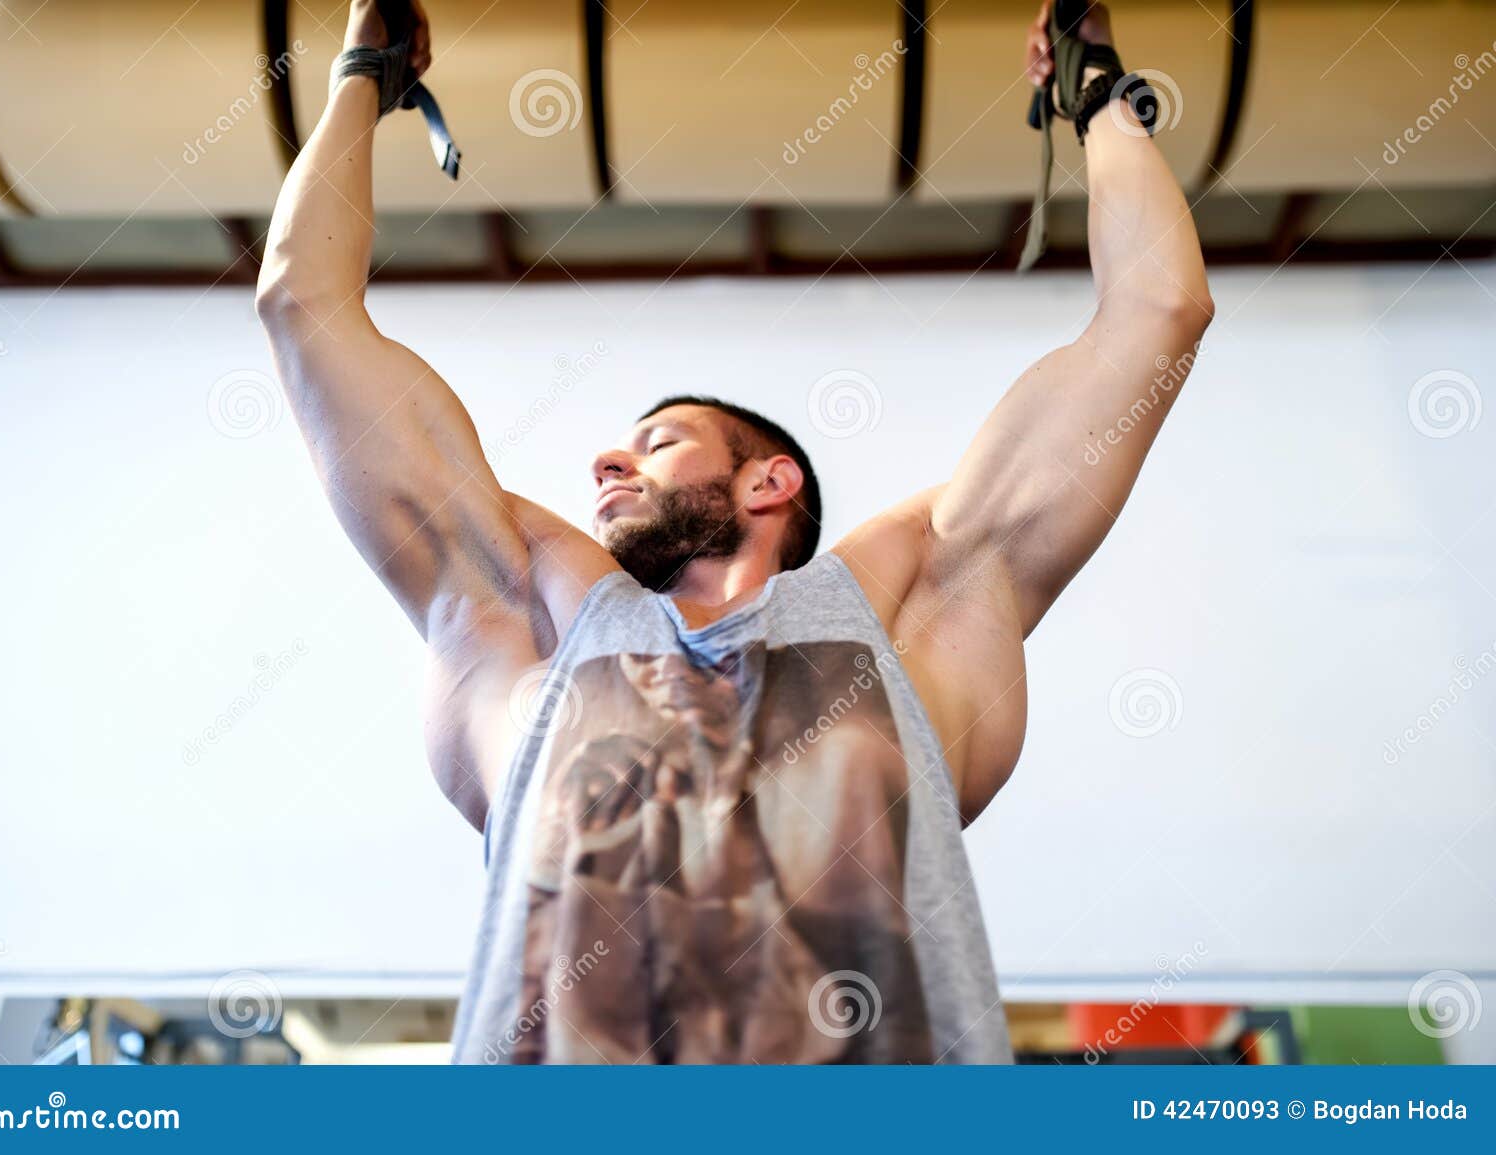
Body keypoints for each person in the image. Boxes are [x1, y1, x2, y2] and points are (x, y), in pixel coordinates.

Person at [256, 0, 1213, 1064]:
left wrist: (1095, 88)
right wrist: (365, 68)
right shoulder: (529, 631)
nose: (608, 461)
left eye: (659, 441)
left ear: (770, 482)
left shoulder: (913, 621)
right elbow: (301, 303)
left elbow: (1159, 311)